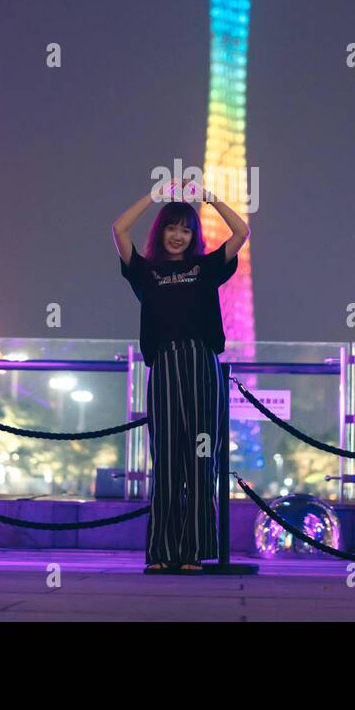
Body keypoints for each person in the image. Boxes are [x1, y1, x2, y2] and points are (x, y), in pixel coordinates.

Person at [112, 179, 250, 573]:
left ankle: (193, 553)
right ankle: (161, 553)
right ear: (161, 231)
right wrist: (153, 196)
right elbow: (118, 229)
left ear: (194, 235)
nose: (178, 235)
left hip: (203, 364)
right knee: (168, 462)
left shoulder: (205, 268)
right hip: (166, 365)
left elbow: (241, 231)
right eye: (172, 227)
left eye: (187, 229)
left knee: (201, 461)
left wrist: (210, 198)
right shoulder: (146, 271)